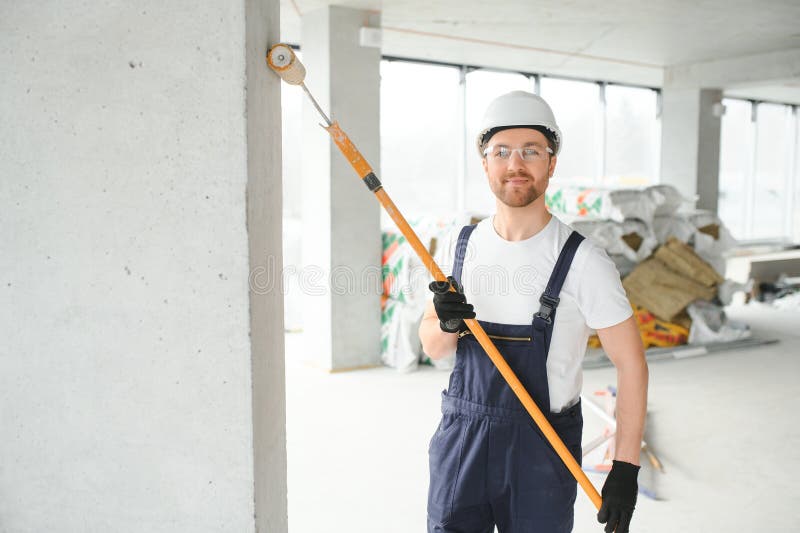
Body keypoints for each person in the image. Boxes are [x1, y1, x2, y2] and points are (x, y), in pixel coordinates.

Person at [419, 91, 648, 533]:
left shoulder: (584, 261)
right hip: (461, 439)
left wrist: (625, 466)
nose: (515, 164)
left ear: (551, 162)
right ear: (485, 163)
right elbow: (433, 345)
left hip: (542, 449)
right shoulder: (458, 247)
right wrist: (447, 322)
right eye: (501, 151)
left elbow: (631, 364)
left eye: (531, 151)